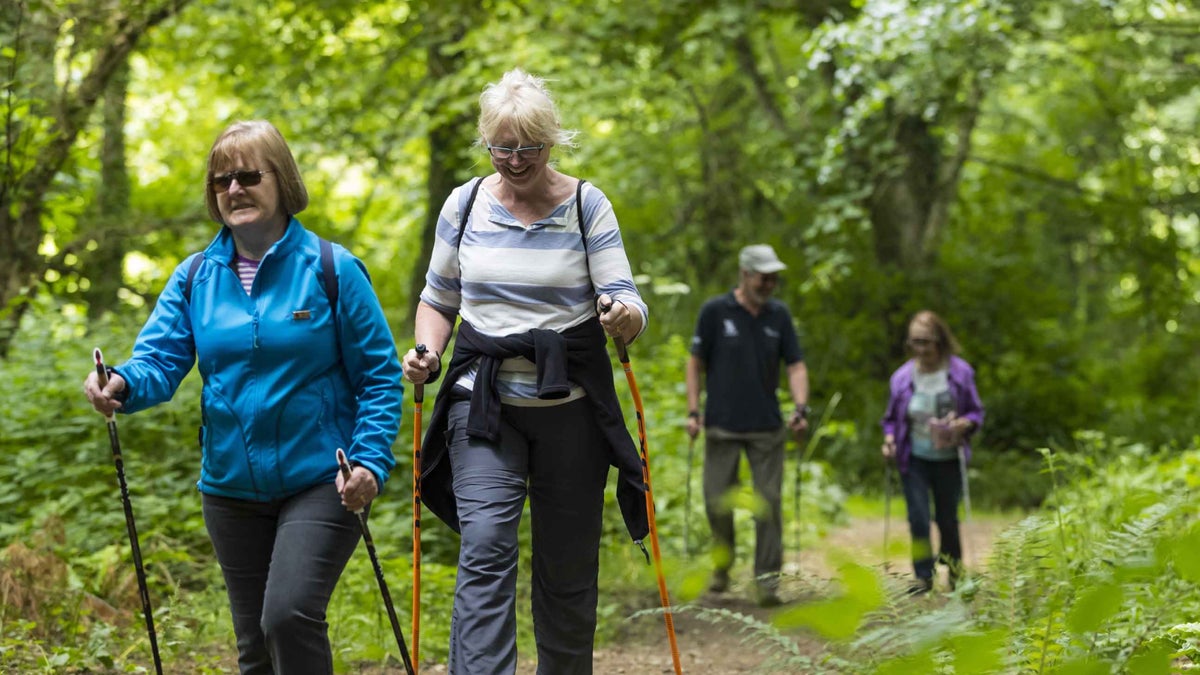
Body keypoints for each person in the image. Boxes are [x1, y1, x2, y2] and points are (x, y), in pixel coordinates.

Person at [82, 120, 404, 674]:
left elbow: (379, 375)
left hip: (321, 479)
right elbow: (159, 360)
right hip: (230, 487)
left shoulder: (332, 270)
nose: (234, 190)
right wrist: (122, 382)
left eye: (249, 176)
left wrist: (371, 461)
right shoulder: (194, 278)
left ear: (282, 181)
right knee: (254, 646)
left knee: (288, 614)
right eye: (221, 181)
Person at [401, 68, 649, 675]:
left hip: (570, 409)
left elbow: (628, 299)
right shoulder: (464, 205)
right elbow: (439, 299)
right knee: (485, 545)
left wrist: (621, 316)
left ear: (551, 142)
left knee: (567, 566)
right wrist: (427, 353)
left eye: (529, 148)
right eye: (503, 147)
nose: (515, 160)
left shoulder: (587, 205)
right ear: (488, 144)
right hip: (482, 403)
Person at [685, 243, 809, 608]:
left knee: (767, 503)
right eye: (764, 276)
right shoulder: (714, 311)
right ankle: (722, 570)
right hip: (721, 424)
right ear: (745, 273)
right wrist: (694, 411)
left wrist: (801, 407)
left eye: (774, 277)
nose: (770, 283)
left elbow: (796, 365)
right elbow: (695, 363)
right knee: (716, 502)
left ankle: (767, 582)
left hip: (766, 427)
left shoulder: (779, 316)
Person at [880, 310, 984, 595]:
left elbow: (976, 412)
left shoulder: (960, 373)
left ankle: (954, 571)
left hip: (949, 458)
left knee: (947, 518)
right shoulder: (902, 378)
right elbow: (890, 418)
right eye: (915, 342)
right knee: (918, 516)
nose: (920, 349)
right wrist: (889, 439)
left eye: (925, 341)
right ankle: (922, 576)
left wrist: (965, 423)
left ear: (940, 341)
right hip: (913, 457)